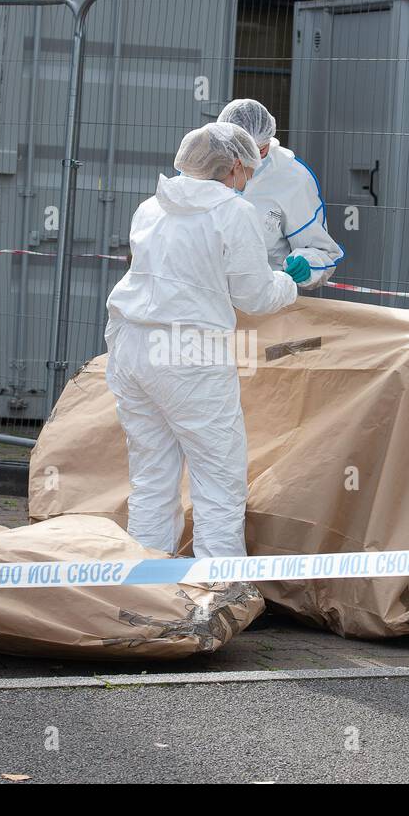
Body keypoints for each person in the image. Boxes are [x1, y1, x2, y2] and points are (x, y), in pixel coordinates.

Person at [104, 123, 299, 558]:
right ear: (233, 167)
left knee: (152, 474)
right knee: (219, 477)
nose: (247, 180)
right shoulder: (233, 211)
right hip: (188, 352)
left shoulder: (152, 207)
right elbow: (255, 295)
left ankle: (145, 587)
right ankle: (218, 593)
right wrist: (289, 281)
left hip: (131, 344)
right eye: (248, 170)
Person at [217, 98, 343, 290]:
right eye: (235, 154)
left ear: (266, 145)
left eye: (255, 152)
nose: (242, 164)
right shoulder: (204, 167)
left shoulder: (292, 179)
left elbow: (322, 250)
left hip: (264, 303)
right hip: (207, 299)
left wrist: (307, 264)